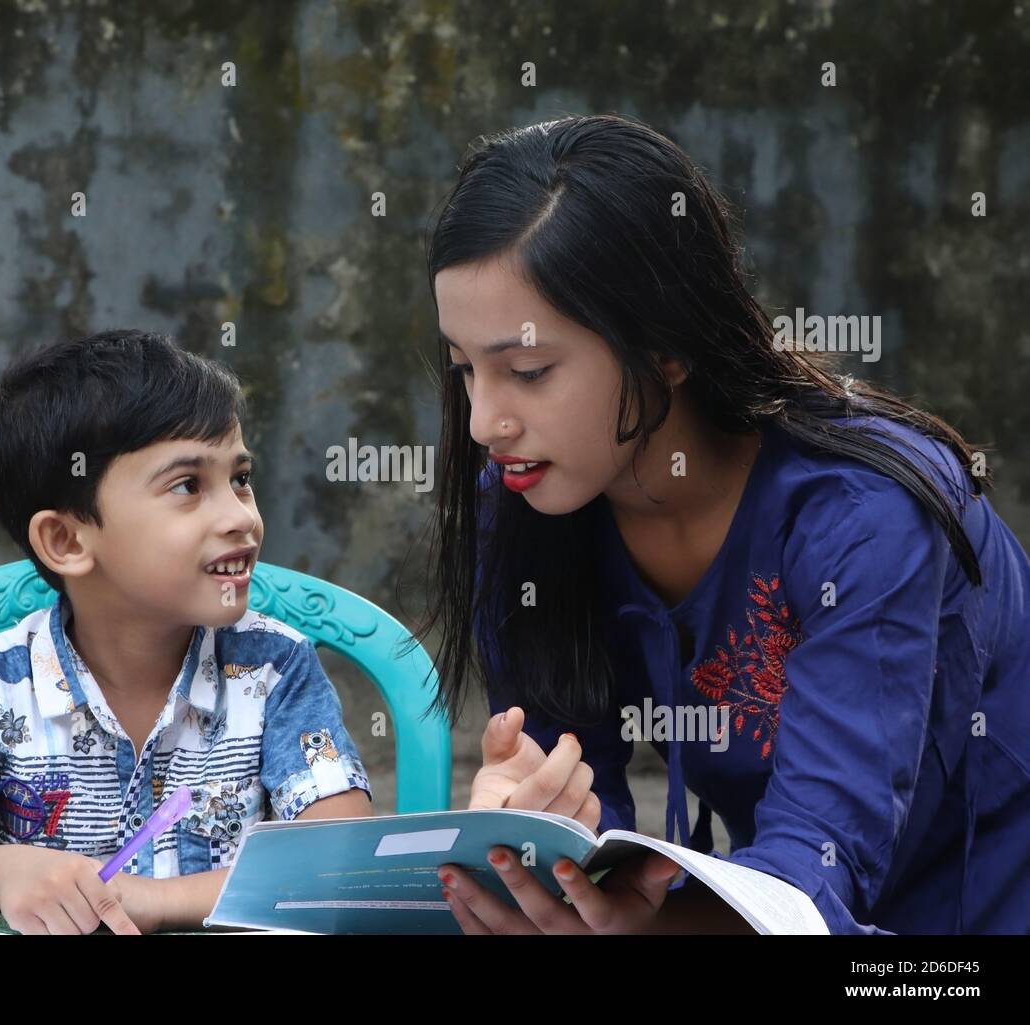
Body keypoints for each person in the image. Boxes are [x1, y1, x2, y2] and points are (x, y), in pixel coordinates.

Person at [413, 113, 1030, 934]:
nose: (485, 421)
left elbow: (811, 874)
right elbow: (589, 846)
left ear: (668, 345)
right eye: (463, 371)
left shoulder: (861, 516)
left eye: (528, 370)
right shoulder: (524, 505)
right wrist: (523, 839)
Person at [0, 330, 372, 934]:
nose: (242, 516)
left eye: (240, 478)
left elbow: (339, 857)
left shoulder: (274, 668)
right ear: (67, 540)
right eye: (188, 485)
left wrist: (153, 900)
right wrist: (4, 872)